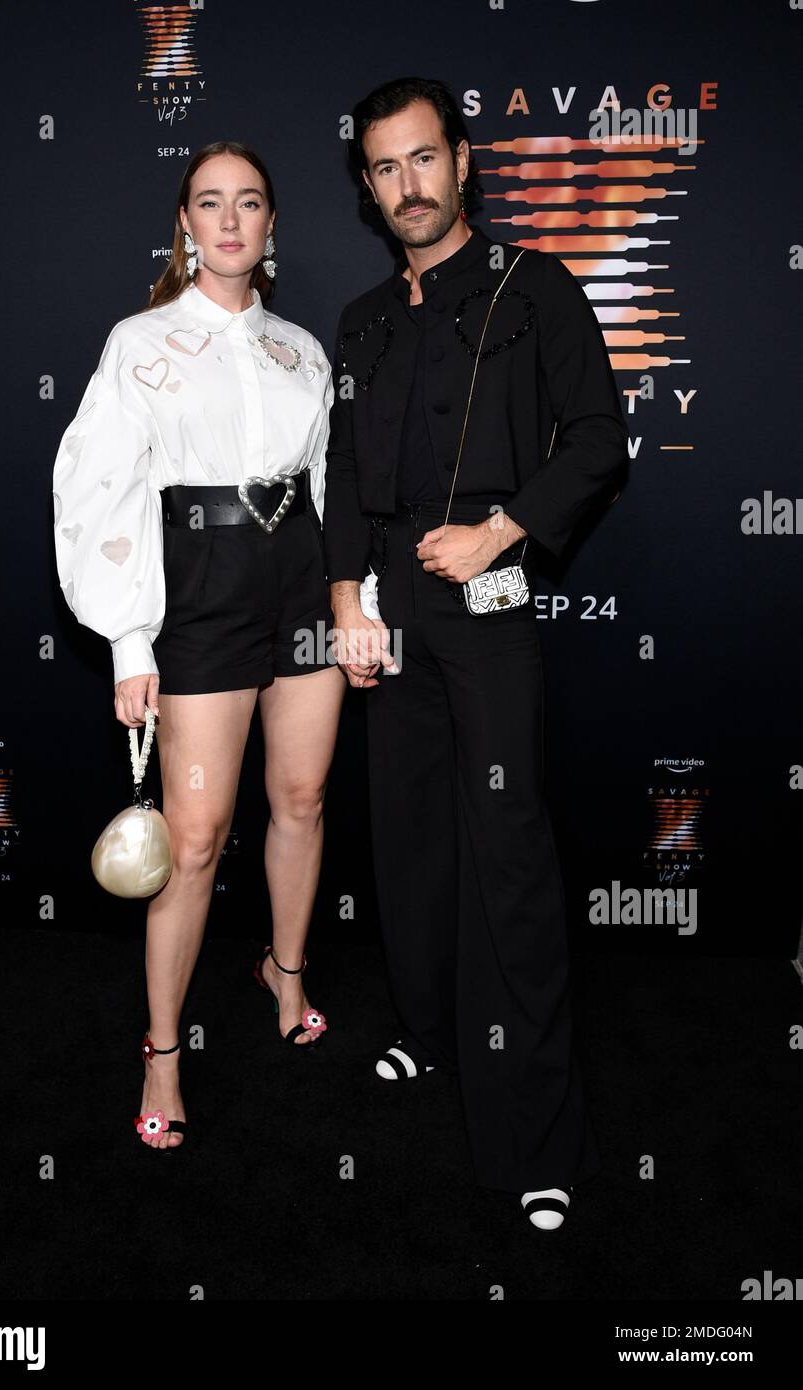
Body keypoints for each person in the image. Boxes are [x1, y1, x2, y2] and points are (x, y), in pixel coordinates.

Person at [324, 78, 629, 1228]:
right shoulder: (360, 321)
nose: (408, 185)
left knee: (506, 852)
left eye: (423, 160)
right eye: (384, 168)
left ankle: (536, 1136)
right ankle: (428, 1029)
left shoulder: (533, 286)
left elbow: (600, 438)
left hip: (490, 587)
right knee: (408, 839)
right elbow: (348, 476)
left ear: (463, 161)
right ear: (368, 184)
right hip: (387, 602)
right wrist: (349, 599)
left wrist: (501, 529)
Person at [52, 141, 343, 1152]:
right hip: (201, 594)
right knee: (197, 835)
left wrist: (357, 603)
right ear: (185, 222)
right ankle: (164, 1048)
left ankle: (285, 968)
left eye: (249, 203)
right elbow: (99, 487)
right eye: (209, 203)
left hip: (301, 578)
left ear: (271, 226)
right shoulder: (139, 341)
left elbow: (330, 490)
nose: (229, 221)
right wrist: (131, 636)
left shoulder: (305, 350)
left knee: (302, 796)